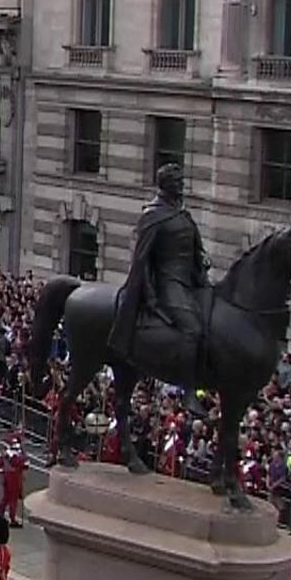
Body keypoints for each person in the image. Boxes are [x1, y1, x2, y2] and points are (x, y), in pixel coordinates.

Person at [110, 160, 212, 414]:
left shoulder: (181, 213)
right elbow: (142, 260)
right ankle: (188, 390)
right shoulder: (153, 215)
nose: (182, 186)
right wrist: (151, 295)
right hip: (168, 284)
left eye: (182, 181)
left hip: (191, 280)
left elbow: (195, 248)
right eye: (177, 182)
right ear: (166, 185)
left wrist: (201, 260)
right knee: (192, 329)